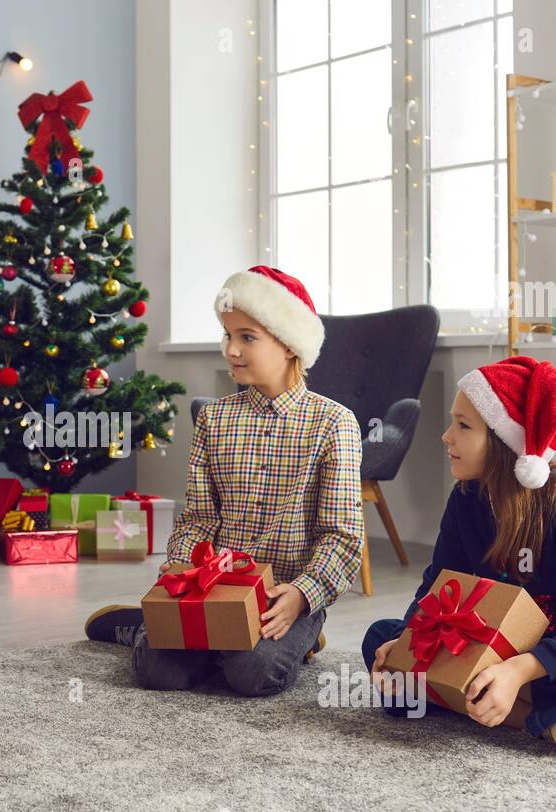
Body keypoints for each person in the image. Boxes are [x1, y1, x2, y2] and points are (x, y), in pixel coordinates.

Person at [363, 355, 556, 757]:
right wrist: (407, 639)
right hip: (497, 648)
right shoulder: (466, 499)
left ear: (506, 444)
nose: (446, 436)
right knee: (380, 638)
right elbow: (438, 587)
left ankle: (493, 701)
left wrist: (518, 670)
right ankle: (532, 718)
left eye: (463, 426)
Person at [86, 266, 364, 696]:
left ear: (290, 344)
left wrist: (302, 595)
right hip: (211, 590)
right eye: (226, 335)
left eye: (246, 337)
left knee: (253, 674)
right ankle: (144, 625)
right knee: (159, 675)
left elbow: (342, 537)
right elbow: (197, 519)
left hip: (283, 597)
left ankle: (300, 636)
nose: (230, 349)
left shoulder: (333, 423)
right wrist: (177, 570)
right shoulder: (214, 419)